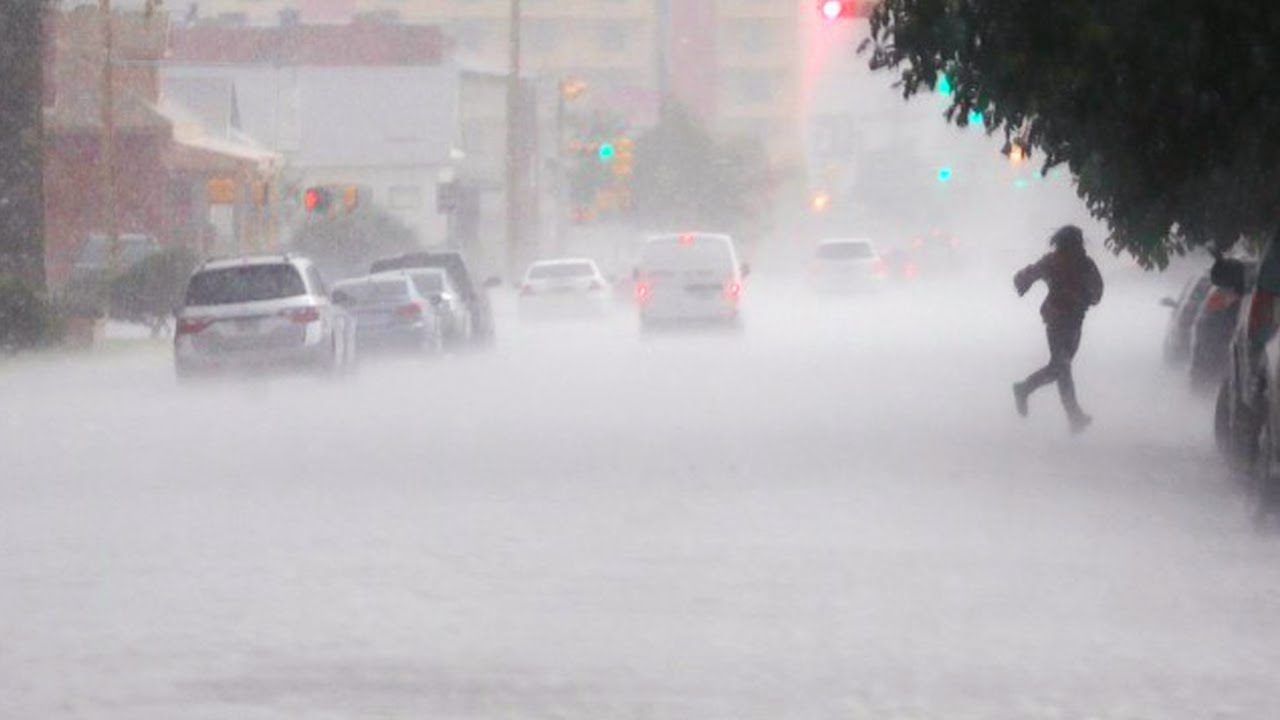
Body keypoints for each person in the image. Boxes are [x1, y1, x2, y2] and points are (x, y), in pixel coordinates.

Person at [1012, 225, 1105, 433]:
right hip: (1061, 320)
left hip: (1067, 319)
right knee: (1061, 365)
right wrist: (1086, 298)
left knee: (1061, 367)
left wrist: (1023, 282)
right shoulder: (1077, 263)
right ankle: (1071, 414)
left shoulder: (1063, 262)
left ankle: (1029, 391)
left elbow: (1028, 275)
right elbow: (1097, 291)